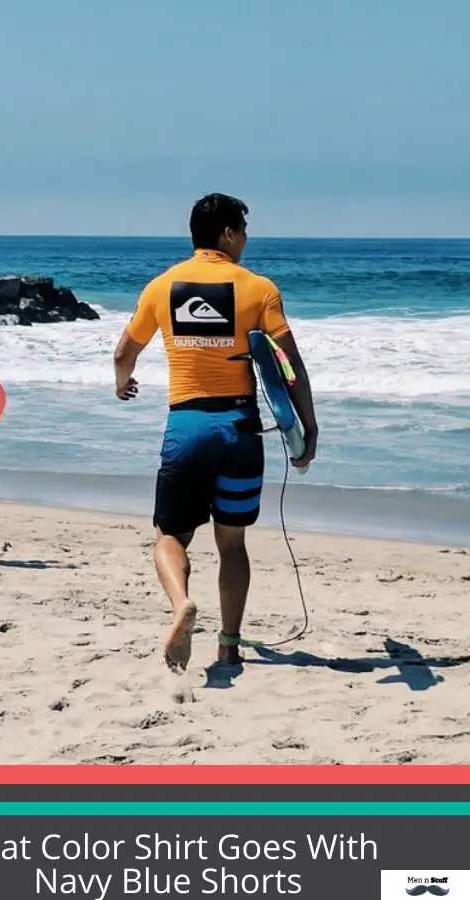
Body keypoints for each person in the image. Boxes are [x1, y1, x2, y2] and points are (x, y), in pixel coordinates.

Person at [113, 193, 318, 671]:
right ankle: (228, 644)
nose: (246, 240)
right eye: (243, 230)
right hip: (240, 431)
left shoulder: (161, 287)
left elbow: (125, 352)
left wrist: (122, 384)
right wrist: (307, 427)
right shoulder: (257, 288)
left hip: (186, 426)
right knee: (232, 544)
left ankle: (181, 603)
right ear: (227, 233)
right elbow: (289, 369)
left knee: (170, 534)